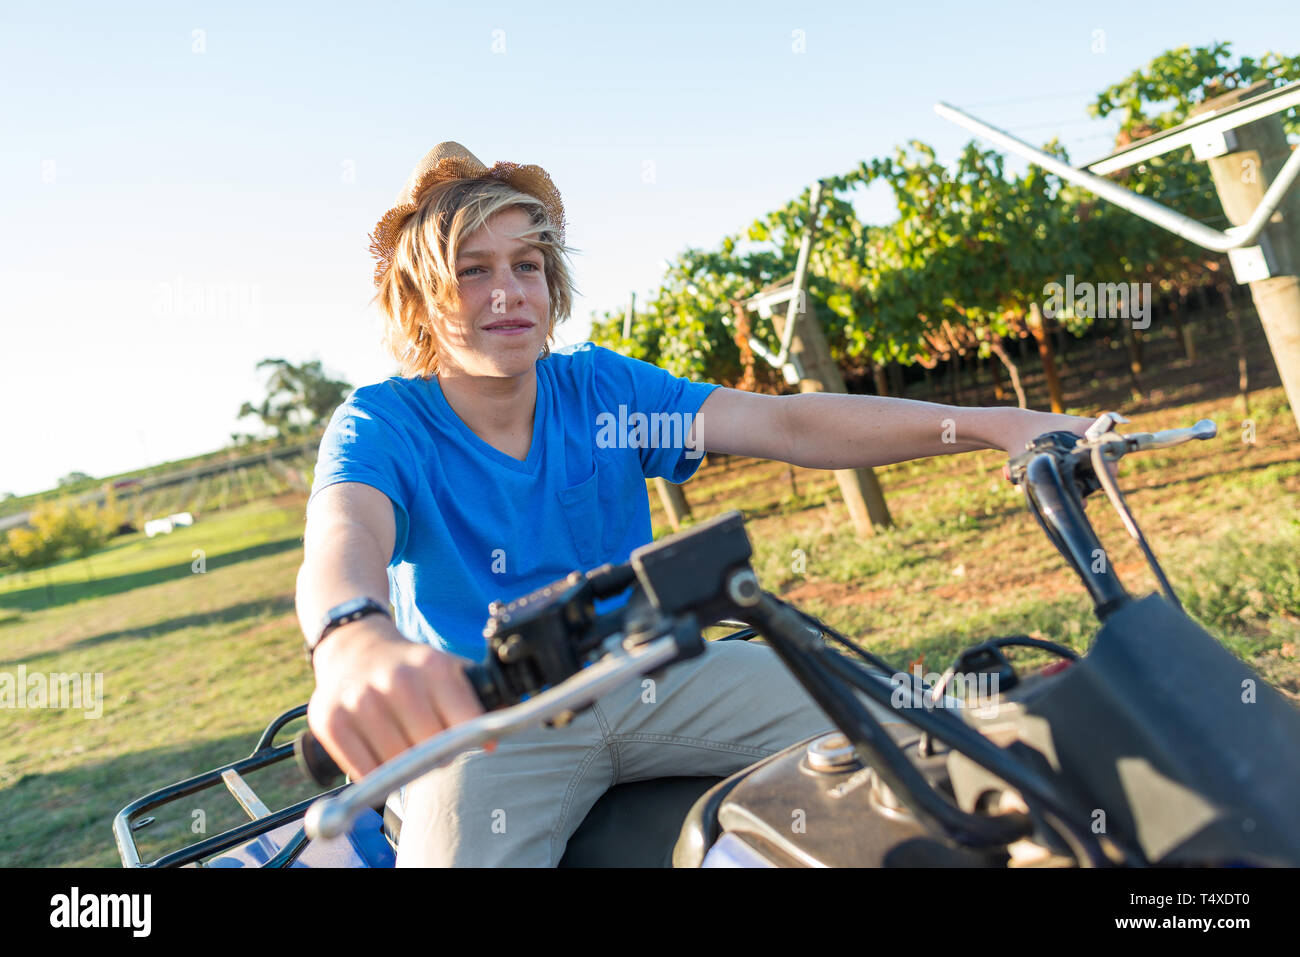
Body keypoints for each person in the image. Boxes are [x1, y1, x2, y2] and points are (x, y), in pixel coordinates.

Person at [295, 141, 1097, 867]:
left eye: (527, 265)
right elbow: (344, 531)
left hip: (656, 671)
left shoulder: (602, 390)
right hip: (491, 724)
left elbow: (785, 419)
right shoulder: (385, 422)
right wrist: (349, 636)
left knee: (931, 746)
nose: (508, 293)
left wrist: (1001, 423)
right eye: (473, 270)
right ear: (420, 298)